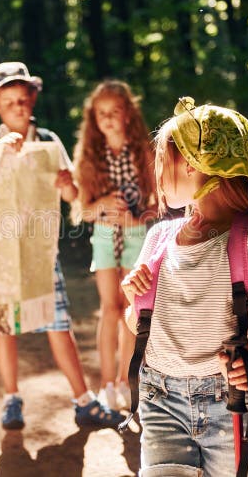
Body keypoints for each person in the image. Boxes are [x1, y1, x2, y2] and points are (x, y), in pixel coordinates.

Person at [121, 98, 248, 476]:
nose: (156, 173)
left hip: (230, 405)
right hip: (159, 402)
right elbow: (139, 326)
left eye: (163, 161)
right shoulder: (158, 239)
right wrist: (132, 300)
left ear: (193, 163)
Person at [0, 61, 125, 430]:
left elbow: (74, 196)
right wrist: (0, 161)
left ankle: (83, 401)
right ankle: (11, 399)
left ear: (32, 97)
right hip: (1, 253)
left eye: (22, 97)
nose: (17, 105)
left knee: (58, 324)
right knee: (3, 326)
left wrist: (65, 186)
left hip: (41, 252)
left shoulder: (48, 141)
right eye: (8, 99)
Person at [71, 80, 156, 411]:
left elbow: (160, 202)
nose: (107, 119)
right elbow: (82, 211)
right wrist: (104, 202)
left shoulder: (143, 151)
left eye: (114, 112)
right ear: (93, 119)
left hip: (136, 235)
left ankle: (126, 381)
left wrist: (140, 218)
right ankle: (107, 384)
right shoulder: (90, 157)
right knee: (109, 308)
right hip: (105, 235)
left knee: (130, 309)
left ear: (128, 115)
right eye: (100, 114)